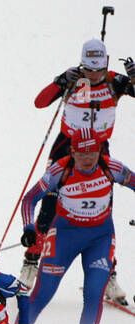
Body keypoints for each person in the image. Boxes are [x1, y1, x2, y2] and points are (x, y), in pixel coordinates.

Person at [25, 37, 135, 302]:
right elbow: (40, 103)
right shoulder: (73, 80)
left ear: (106, 64)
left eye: (98, 69)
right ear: (81, 64)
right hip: (66, 147)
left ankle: (108, 276)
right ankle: (30, 262)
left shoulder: (114, 82)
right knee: (49, 209)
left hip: (98, 152)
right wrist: (59, 80)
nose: (93, 75)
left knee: (101, 211)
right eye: (89, 69)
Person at [19, 128, 135, 324]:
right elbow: (29, 199)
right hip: (64, 235)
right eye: (82, 153)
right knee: (42, 294)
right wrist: (29, 228)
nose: (87, 158)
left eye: (92, 152)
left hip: (100, 238)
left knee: (94, 294)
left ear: (100, 151)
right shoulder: (59, 170)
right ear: (72, 152)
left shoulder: (111, 167)